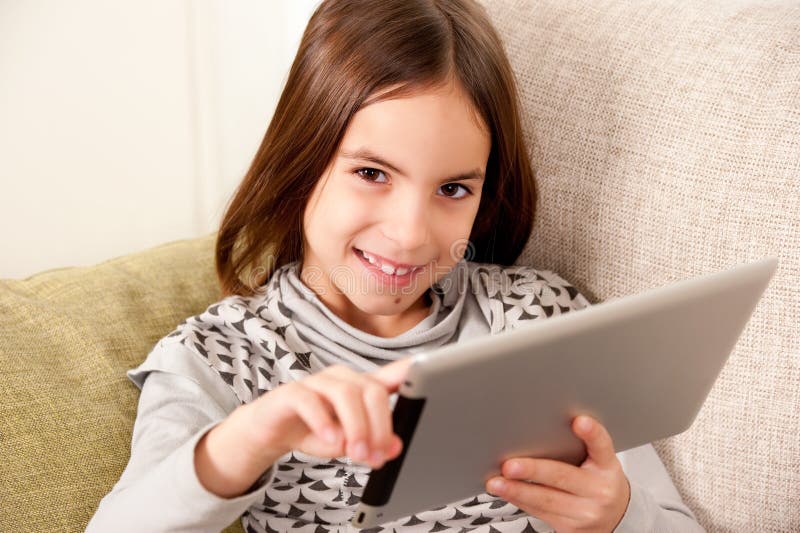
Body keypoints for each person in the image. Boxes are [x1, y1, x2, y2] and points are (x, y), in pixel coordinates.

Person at [86, 0, 707, 531]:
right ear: (302, 162)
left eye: (453, 189)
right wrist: (249, 438)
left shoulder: (543, 320)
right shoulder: (221, 356)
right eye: (372, 173)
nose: (410, 234)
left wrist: (618, 516)